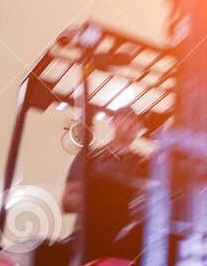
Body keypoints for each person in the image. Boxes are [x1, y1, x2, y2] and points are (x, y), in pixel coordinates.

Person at [62, 107, 147, 256]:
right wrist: (102, 199)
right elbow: (68, 201)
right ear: (114, 122)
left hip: (126, 247)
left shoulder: (144, 166)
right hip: (88, 241)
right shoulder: (90, 158)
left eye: (136, 121)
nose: (133, 123)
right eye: (127, 118)